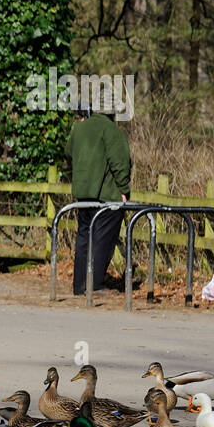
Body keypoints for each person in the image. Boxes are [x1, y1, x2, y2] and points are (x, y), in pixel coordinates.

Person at [65, 103, 131, 294]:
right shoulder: (111, 131)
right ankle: (94, 286)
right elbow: (120, 163)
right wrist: (124, 189)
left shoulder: (79, 128)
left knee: (84, 239)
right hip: (107, 196)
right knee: (103, 241)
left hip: (83, 194)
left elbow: (69, 153)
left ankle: (79, 286)